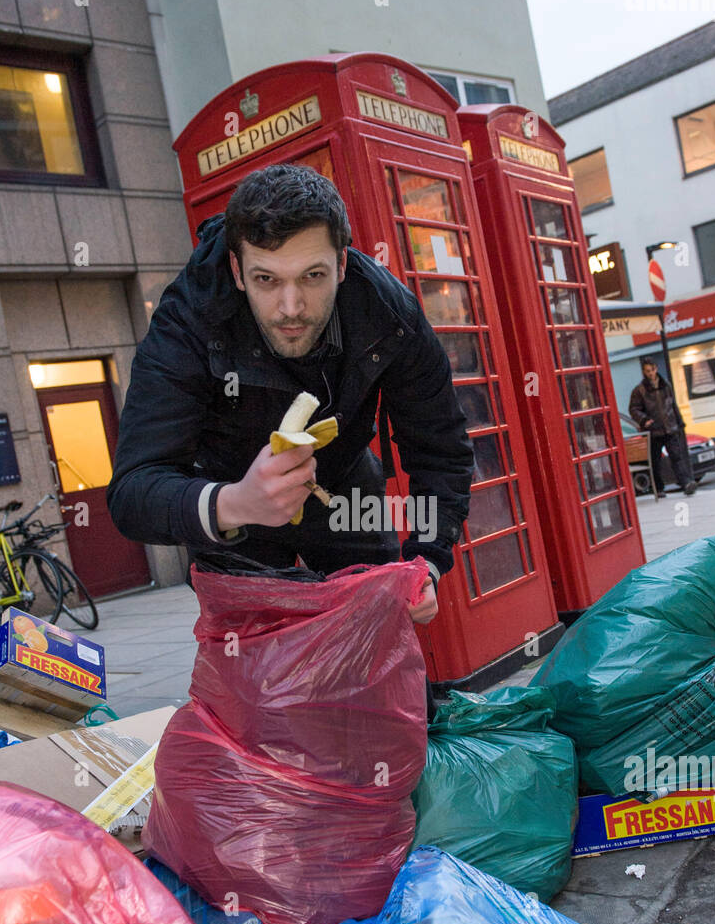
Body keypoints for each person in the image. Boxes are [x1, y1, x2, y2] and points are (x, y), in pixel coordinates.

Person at [107, 162, 475, 713]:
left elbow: (439, 448)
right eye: (266, 280)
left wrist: (428, 560)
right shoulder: (186, 321)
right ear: (236, 270)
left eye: (313, 276)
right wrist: (234, 502)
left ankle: (390, 781)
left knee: (383, 680)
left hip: (344, 485)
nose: (291, 307)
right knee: (261, 699)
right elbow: (132, 491)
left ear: (343, 262)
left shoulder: (389, 313)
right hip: (232, 504)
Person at [629, 357, 696, 498]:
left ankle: (686, 483)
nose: (651, 373)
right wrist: (644, 420)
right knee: (655, 461)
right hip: (653, 431)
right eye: (648, 371)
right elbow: (634, 409)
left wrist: (680, 422)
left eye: (652, 370)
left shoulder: (666, 385)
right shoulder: (639, 390)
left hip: (669, 428)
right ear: (644, 372)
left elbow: (673, 405)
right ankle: (659, 488)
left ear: (656, 368)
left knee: (677, 457)